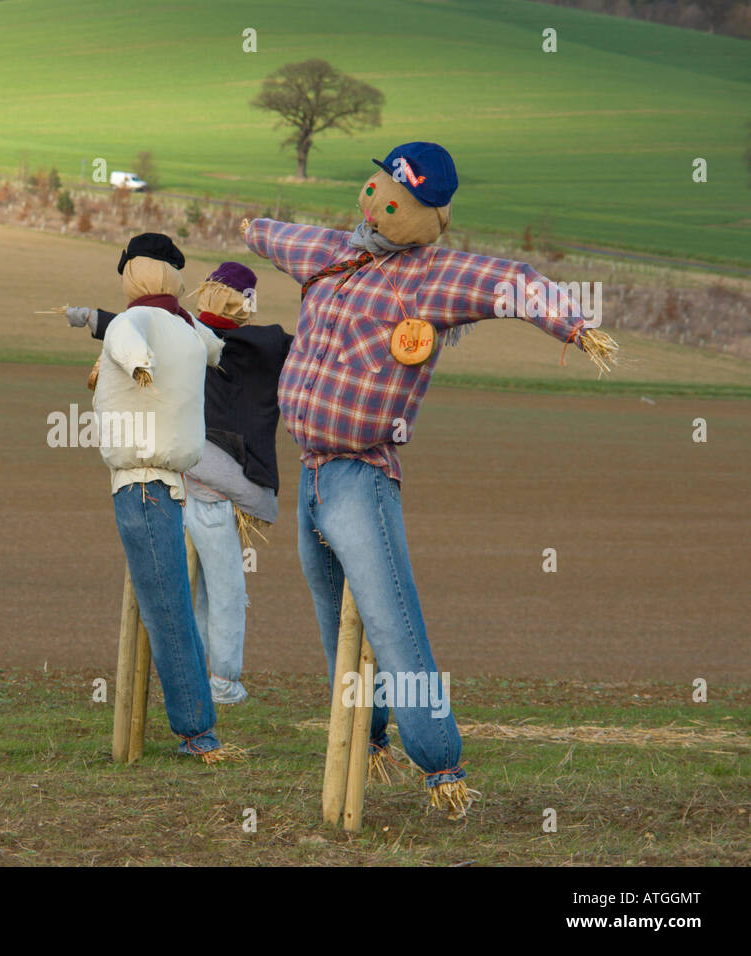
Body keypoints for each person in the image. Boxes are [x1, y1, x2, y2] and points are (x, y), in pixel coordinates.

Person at [242, 142, 616, 817]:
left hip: (362, 476)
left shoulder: (429, 277)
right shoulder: (332, 253)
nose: (381, 205)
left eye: (399, 200)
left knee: (391, 623)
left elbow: (512, 281)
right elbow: (281, 237)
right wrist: (251, 228)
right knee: (336, 625)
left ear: (431, 214)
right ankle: (368, 739)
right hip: (313, 474)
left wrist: (576, 328)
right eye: (378, 189)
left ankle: (441, 765)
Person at [66, 262, 291, 704]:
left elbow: (134, 328)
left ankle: (199, 681)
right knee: (222, 587)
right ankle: (220, 681)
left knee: (195, 588)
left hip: (173, 476)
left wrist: (93, 319)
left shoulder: (189, 333)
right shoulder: (260, 343)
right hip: (211, 485)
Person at [88, 233, 233, 760]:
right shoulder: (187, 326)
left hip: (140, 485)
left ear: (131, 272)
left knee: (166, 606)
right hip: (169, 484)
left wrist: (135, 363)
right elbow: (217, 349)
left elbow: (127, 341)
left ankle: (198, 732)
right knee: (170, 600)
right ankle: (199, 726)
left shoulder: (135, 322)